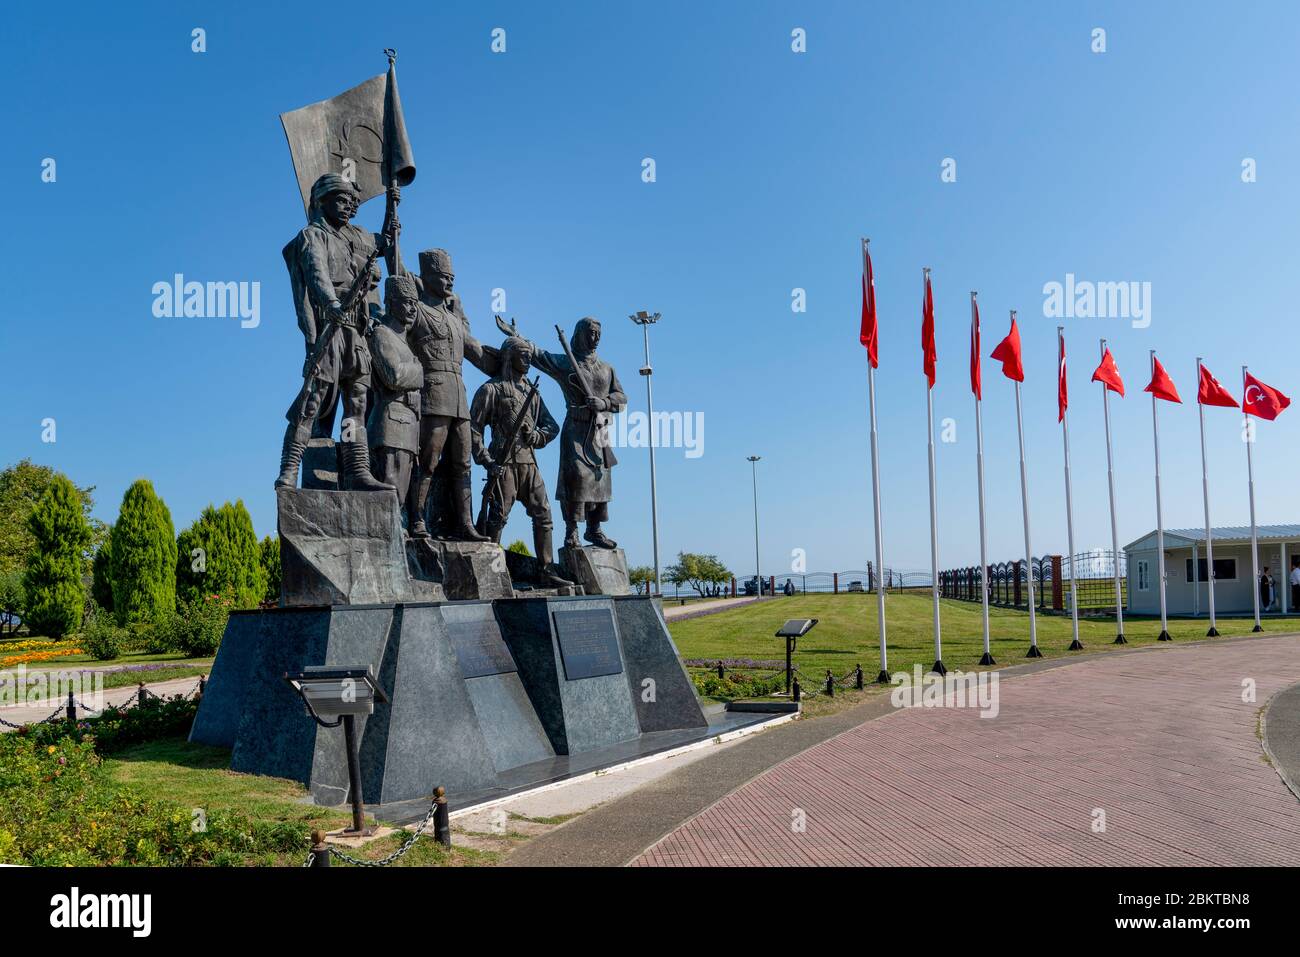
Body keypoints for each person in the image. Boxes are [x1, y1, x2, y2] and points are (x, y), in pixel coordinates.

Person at [276, 173, 399, 491]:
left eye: (351, 202)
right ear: (322, 201)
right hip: (330, 327)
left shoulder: (358, 236)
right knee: (311, 401)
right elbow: (316, 275)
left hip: (356, 333)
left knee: (356, 403)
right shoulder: (312, 236)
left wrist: (392, 213)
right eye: (341, 201)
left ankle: (358, 470)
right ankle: (289, 470)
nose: (348, 207)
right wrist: (331, 304)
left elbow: (383, 242)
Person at [405, 248, 493, 541]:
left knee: (463, 463)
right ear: (426, 277)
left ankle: (465, 524)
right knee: (427, 460)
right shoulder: (416, 311)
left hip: (459, 398)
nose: (450, 283)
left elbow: (478, 352)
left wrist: (511, 357)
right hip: (432, 394)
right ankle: (416, 519)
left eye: (452, 278)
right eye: (443, 277)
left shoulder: (456, 319)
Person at [469, 337, 569, 584]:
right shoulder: (491, 389)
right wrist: (486, 459)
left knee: (544, 514)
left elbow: (551, 426)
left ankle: (546, 571)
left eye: (529, 355)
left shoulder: (531, 393)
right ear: (509, 356)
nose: (528, 360)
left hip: (529, 463)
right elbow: (472, 429)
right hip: (503, 462)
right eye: (523, 355)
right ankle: (491, 572)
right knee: (498, 516)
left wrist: (537, 435)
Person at [521, 318, 626, 550]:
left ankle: (594, 529)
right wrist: (518, 337)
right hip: (575, 430)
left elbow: (621, 399)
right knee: (575, 480)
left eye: (598, 333)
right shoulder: (567, 363)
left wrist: (603, 402)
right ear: (579, 334)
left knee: (601, 480)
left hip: (599, 431)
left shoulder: (607, 369)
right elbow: (540, 356)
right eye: (590, 332)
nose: (595, 337)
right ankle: (572, 532)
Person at [366, 275, 424, 517]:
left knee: (399, 499)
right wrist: (420, 369)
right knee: (388, 494)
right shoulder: (382, 334)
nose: (413, 308)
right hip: (390, 424)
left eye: (415, 303)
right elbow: (395, 375)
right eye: (407, 302)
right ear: (390, 302)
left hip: (409, 427)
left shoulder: (404, 342)